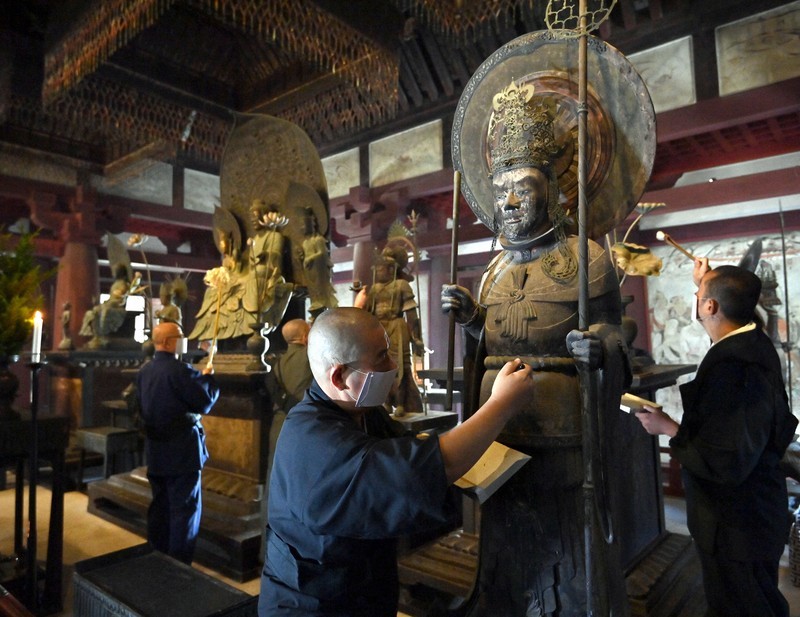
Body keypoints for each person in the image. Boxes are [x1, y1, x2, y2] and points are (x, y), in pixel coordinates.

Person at [441, 82, 631, 614]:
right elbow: (493, 339)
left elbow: (616, 333)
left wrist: (599, 348)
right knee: (504, 527)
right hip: (497, 431)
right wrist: (474, 320)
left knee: (565, 532)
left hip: (564, 433)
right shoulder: (495, 269)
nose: (509, 201)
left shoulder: (586, 258)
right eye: (501, 190)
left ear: (554, 187)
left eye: (522, 186)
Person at [258, 307, 535, 616]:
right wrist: (500, 406)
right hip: (311, 604)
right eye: (380, 358)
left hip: (362, 591)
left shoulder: (362, 411)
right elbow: (410, 474)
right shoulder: (309, 437)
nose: (392, 367)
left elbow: (407, 449)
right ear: (338, 376)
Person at [635, 260, 796, 617]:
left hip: (736, 525)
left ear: (710, 306)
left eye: (699, 292)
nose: (695, 295)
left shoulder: (735, 368)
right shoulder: (751, 340)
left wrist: (668, 428)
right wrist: (707, 284)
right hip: (751, 516)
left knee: (742, 607)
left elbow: (728, 460)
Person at [136, 321, 220, 564]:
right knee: (184, 510)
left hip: (156, 449)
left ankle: (157, 556)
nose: (184, 339)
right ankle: (179, 564)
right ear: (167, 342)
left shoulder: (145, 371)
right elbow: (204, 400)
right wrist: (208, 379)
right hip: (182, 450)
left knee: (160, 506)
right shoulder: (180, 370)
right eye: (181, 335)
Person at [354, 246, 425, 417]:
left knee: (400, 366)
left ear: (392, 268)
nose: (378, 271)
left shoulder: (401, 285)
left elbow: (411, 314)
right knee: (379, 366)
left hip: (397, 327)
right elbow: (368, 313)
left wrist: (416, 337)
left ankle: (401, 402)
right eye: (376, 268)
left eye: (382, 267)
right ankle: (385, 401)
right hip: (379, 328)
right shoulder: (375, 289)